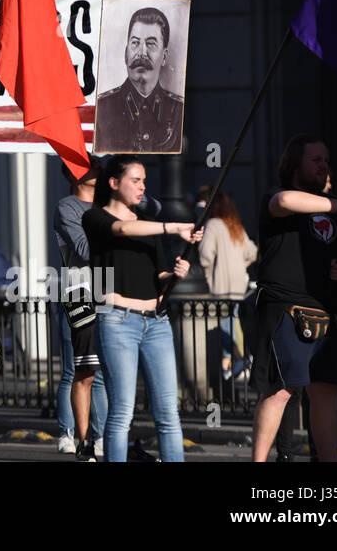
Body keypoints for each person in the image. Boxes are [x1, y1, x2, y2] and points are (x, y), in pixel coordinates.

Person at [250, 135, 337, 463]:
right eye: (316, 160)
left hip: (330, 310)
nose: (324, 166)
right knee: (280, 391)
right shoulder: (277, 198)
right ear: (295, 164)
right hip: (288, 307)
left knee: (326, 393)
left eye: (326, 160)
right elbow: (286, 201)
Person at [84, 154, 202, 462]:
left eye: (144, 181)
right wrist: (174, 227)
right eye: (135, 180)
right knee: (122, 411)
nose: (142, 187)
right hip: (117, 321)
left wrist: (175, 274)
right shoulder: (95, 217)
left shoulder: (150, 226)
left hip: (156, 323)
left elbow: (159, 275)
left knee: (168, 413)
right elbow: (121, 230)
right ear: (113, 183)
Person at [50, 159, 108, 461]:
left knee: (98, 371)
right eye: (94, 167)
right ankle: (68, 433)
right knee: (77, 369)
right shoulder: (68, 207)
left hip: (108, 289)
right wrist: (117, 229)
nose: (100, 171)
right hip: (79, 290)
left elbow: (153, 206)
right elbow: (84, 250)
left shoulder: (110, 202)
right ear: (77, 175)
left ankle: (100, 438)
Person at [94, 6, 184, 154]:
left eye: (150, 44)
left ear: (165, 56)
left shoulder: (177, 110)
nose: (141, 53)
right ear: (126, 53)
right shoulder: (103, 108)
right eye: (135, 43)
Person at [198, 192, 258, 381]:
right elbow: (253, 252)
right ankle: (233, 361)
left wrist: (207, 271)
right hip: (239, 284)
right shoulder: (235, 226)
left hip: (221, 283)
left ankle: (236, 360)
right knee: (232, 320)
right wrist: (242, 266)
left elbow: (205, 254)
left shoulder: (213, 225)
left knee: (225, 323)